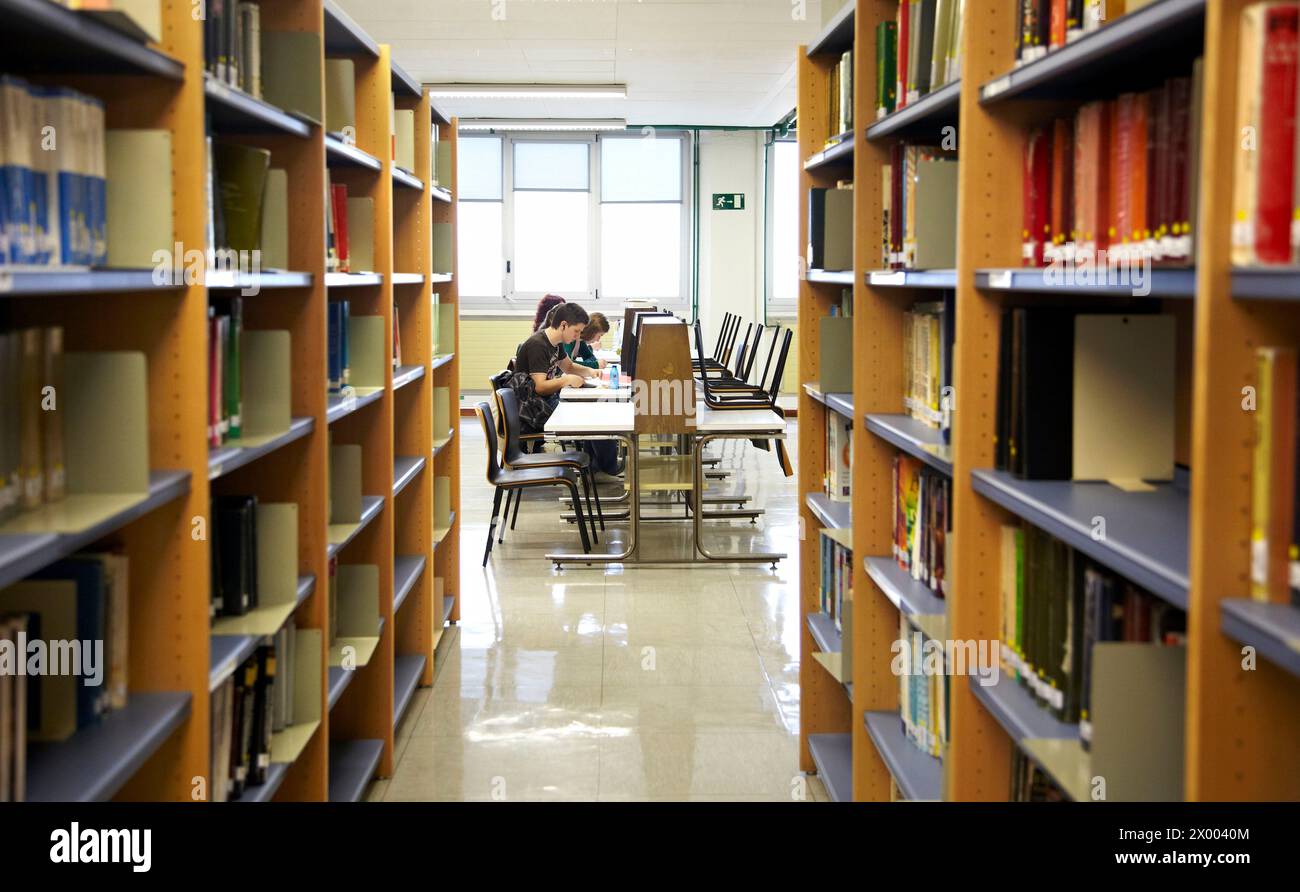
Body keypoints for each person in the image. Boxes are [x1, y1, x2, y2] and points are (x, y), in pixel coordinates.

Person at [513, 302, 619, 479]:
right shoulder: (538, 345)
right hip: (533, 409)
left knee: (596, 410)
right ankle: (601, 470)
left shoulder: (556, 342)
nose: (579, 336)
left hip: (545, 401)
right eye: (576, 331)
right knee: (597, 417)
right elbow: (539, 386)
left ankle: (596, 469)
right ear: (563, 325)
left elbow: (568, 366)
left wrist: (591, 371)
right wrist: (566, 380)